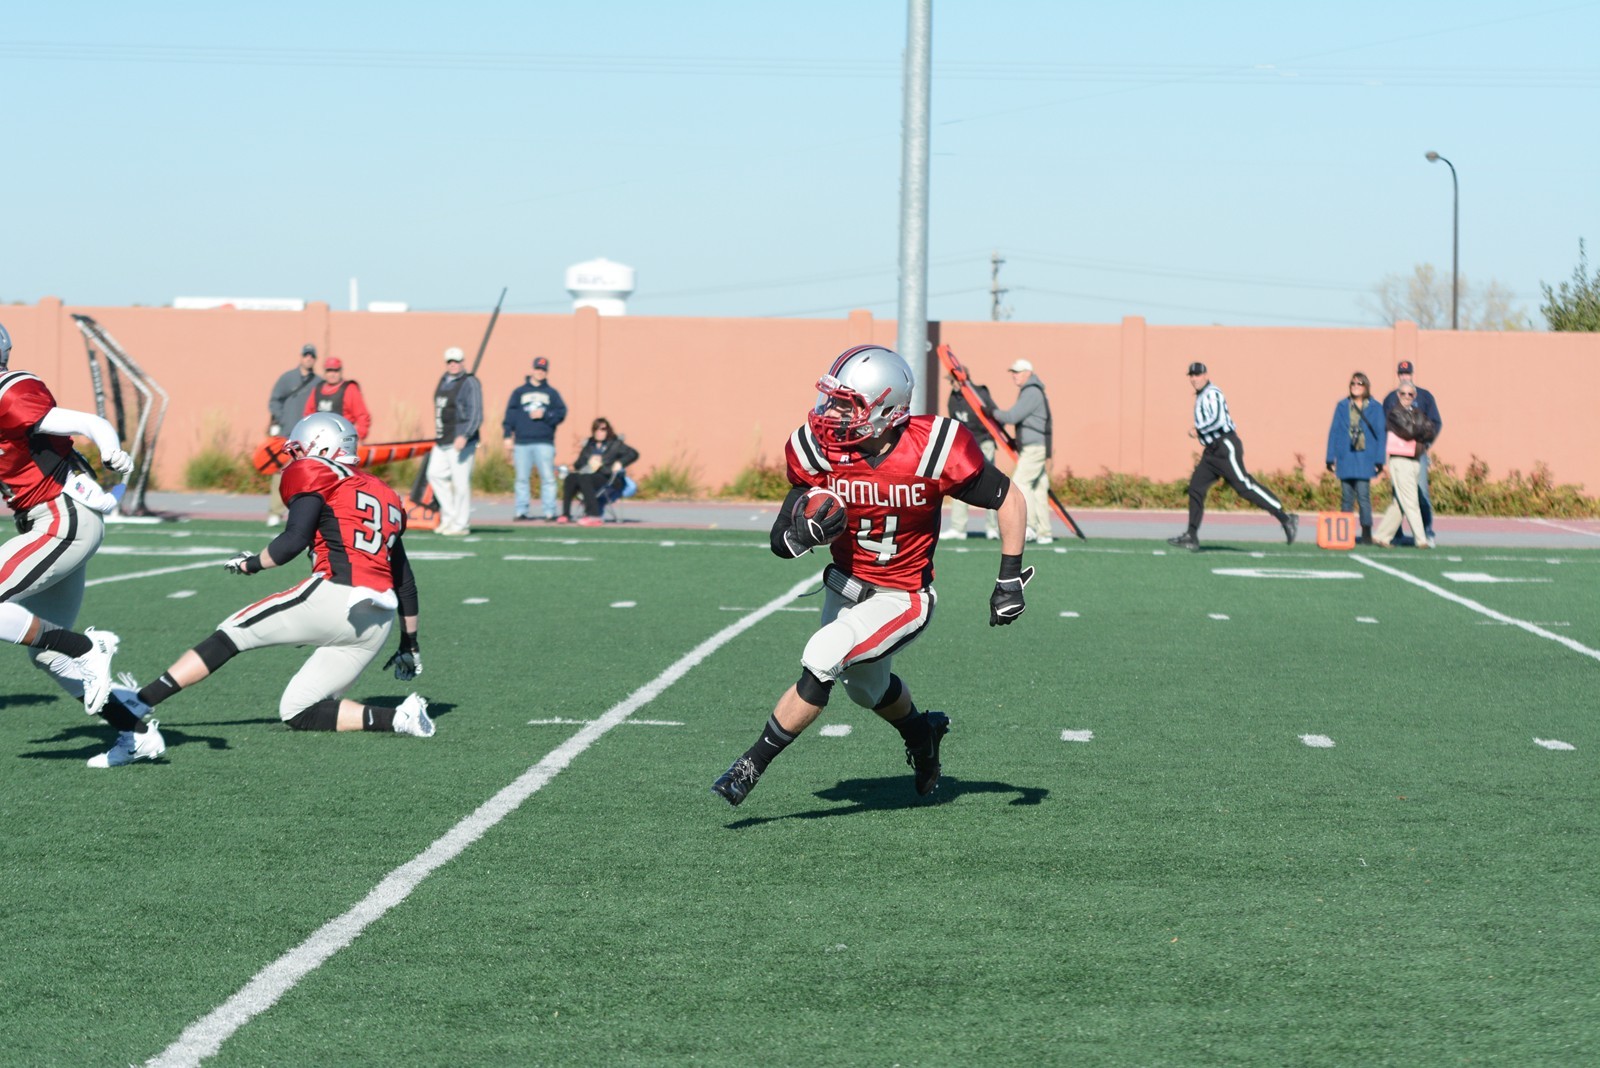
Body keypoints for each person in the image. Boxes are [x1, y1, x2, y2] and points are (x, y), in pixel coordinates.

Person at [710, 343, 1033, 808]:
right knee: (867, 690)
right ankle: (923, 734)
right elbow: (783, 535)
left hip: (903, 595)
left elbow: (1009, 498)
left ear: (887, 408)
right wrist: (800, 535)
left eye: (847, 403)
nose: (832, 413)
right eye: (832, 399)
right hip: (845, 587)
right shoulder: (817, 447)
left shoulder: (934, 448)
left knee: (822, 655)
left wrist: (1008, 577)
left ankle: (749, 767)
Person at [114, 412, 434, 750]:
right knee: (298, 710)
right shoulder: (385, 493)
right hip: (378, 620)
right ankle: (401, 717)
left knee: (231, 634)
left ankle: (140, 701)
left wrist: (251, 563)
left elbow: (292, 541)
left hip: (335, 594)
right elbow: (405, 580)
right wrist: (408, 644)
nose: (296, 458)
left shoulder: (317, 473)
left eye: (300, 449)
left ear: (321, 446)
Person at [0, 321, 147, 764]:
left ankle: (88, 647)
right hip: (45, 522)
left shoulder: (10, 393)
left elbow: (89, 421)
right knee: (48, 655)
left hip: (64, 519)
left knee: (65, 647)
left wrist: (110, 448)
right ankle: (135, 733)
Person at [1168, 362, 1298, 551]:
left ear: (1205, 374)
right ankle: (1191, 535)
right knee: (1196, 487)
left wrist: (1198, 429)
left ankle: (1286, 517)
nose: (1194, 379)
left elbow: (1218, 419)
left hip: (1225, 446)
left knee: (1244, 486)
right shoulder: (1202, 396)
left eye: (1197, 375)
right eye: (1191, 376)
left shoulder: (1213, 393)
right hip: (1212, 452)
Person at [989, 358, 1054, 545]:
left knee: (1021, 484)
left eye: (1017, 373)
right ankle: (1045, 532)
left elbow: (1012, 416)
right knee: (1039, 488)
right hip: (1035, 446)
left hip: (1033, 447)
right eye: (1013, 373)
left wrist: (992, 412)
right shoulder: (1033, 391)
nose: (1014, 376)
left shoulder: (1031, 392)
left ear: (1028, 373)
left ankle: (1030, 527)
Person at [1382, 359, 1443, 545]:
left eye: (1407, 374)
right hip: (1398, 455)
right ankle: (1396, 534)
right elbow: (1385, 425)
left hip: (1418, 454)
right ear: (1398, 375)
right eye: (1401, 373)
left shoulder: (1424, 397)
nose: (1404, 376)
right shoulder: (1390, 399)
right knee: (1398, 494)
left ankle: (1427, 531)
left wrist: (1425, 444)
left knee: (1422, 492)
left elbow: (1435, 423)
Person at [1324, 371, 1387, 544]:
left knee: (1363, 497)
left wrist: (1380, 460)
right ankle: (1345, 532)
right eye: (1353, 384)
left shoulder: (1375, 407)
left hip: (1364, 458)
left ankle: (1366, 532)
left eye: (1359, 384)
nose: (1356, 387)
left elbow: (1381, 434)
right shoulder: (1342, 406)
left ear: (1366, 387)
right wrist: (1330, 458)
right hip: (1346, 457)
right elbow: (1334, 432)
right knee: (1346, 498)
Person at [502, 356, 567, 521]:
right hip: (522, 442)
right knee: (522, 478)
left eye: (543, 370)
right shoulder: (519, 392)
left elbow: (561, 413)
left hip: (544, 442)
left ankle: (549, 511)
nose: (540, 372)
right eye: (538, 369)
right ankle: (521, 511)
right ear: (533, 369)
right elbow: (510, 415)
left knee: (548, 478)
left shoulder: (552, 393)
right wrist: (507, 435)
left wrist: (545, 414)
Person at [427, 346, 484, 536]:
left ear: (462, 362)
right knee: (434, 474)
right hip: (443, 439)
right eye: (450, 362)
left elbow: (476, 413)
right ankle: (449, 516)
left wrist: (465, 435)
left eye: (457, 361)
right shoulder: (443, 381)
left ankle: (461, 524)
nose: (453, 365)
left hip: (461, 441)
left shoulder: (470, 382)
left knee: (460, 483)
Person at [1373, 384, 1436, 549]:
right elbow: (1408, 432)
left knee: (1399, 503)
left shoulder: (1417, 413)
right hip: (1400, 460)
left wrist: (1418, 430)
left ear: (1414, 396)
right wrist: (1419, 430)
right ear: (1398, 394)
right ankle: (1421, 539)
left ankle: (1381, 536)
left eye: (1410, 394)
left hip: (1415, 459)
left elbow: (1431, 429)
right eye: (1403, 393)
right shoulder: (1394, 413)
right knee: (1411, 500)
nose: (1406, 396)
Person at [266, 343, 320, 527]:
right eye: (306, 355)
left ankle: (302, 514)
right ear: (301, 357)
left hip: (308, 436)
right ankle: (275, 511)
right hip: (287, 433)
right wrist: (282, 420)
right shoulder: (287, 378)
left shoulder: (318, 382)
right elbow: (274, 401)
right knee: (280, 473)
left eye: (311, 356)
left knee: (308, 475)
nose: (308, 358)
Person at [941, 371, 999, 541]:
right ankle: (958, 528)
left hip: (984, 441)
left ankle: (992, 528)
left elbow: (993, 414)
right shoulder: (953, 398)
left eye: (954, 381)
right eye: (950, 382)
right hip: (966, 445)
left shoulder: (980, 393)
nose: (952, 385)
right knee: (959, 483)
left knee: (991, 484)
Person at [558, 417, 638, 526]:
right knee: (571, 477)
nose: (599, 432)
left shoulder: (615, 444)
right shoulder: (589, 445)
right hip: (589, 475)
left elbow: (633, 454)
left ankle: (594, 515)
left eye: (603, 429)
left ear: (608, 430)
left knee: (584, 478)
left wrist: (620, 462)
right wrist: (588, 461)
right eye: (596, 429)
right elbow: (578, 464)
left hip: (608, 477)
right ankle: (565, 514)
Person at [303, 356, 372, 439]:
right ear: (325, 372)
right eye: (329, 371)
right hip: (320, 439)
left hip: (343, 438)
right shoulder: (317, 389)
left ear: (341, 371)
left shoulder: (349, 389)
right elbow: (308, 415)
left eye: (336, 371)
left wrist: (359, 436)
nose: (332, 374)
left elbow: (362, 416)